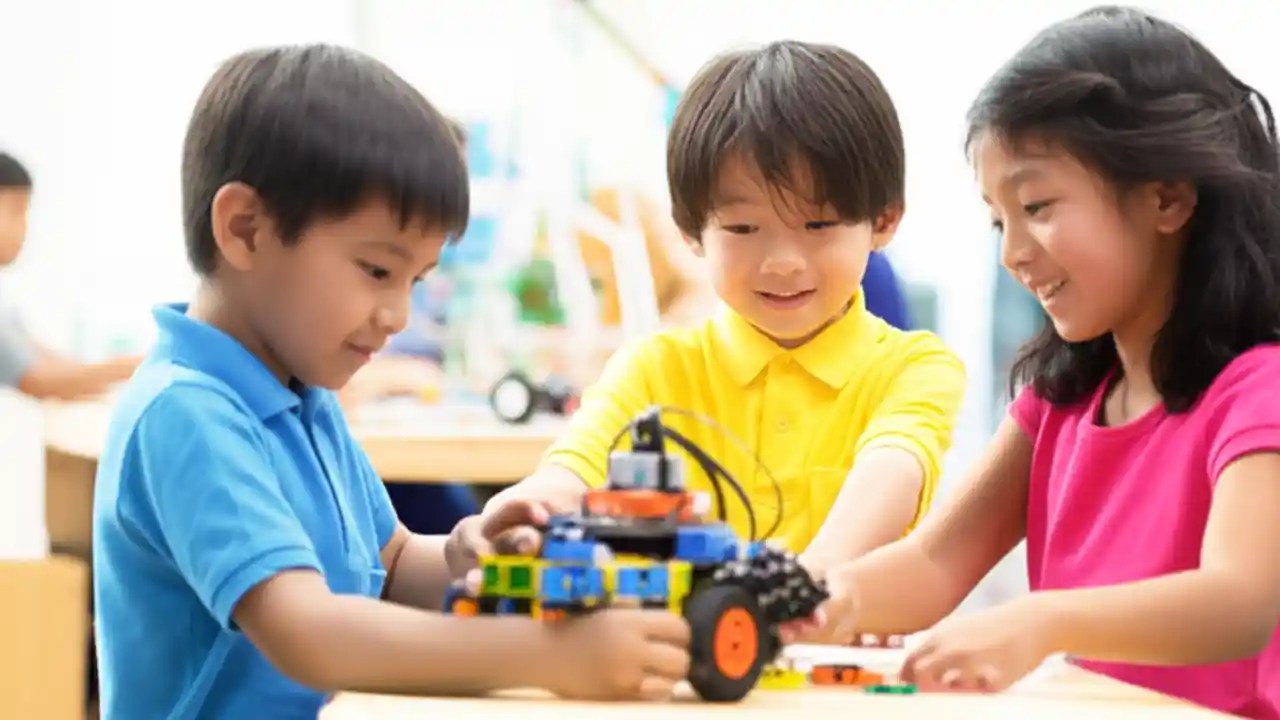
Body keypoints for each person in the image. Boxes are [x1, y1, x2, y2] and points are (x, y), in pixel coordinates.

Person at [91, 44, 690, 720]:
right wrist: (547, 656)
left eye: (416, 281)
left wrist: (472, 555)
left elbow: (394, 565)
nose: (398, 315)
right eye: (378, 271)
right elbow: (309, 634)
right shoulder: (187, 412)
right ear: (245, 230)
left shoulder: (302, 397)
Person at [781, 7, 1280, 718]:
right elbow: (933, 562)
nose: (1012, 253)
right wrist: (815, 601)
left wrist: (1041, 621)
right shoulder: (1056, 406)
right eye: (998, 220)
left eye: (1037, 206)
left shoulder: (1259, 392)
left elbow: (1240, 602)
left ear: (1167, 197)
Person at [450, 40, 966, 583]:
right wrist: (523, 512)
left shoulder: (914, 368)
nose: (783, 261)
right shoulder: (654, 368)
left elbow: (893, 469)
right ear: (692, 232)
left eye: (818, 225)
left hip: (848, 637)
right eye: (743, 228)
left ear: (883, 221)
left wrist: (804, 582)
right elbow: (573, 468)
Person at [0, 152, 140, 399]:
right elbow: (36, 380)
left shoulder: (7, 311)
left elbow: (52, 366)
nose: (24, 227)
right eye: (16, 211)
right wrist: (131, 365)